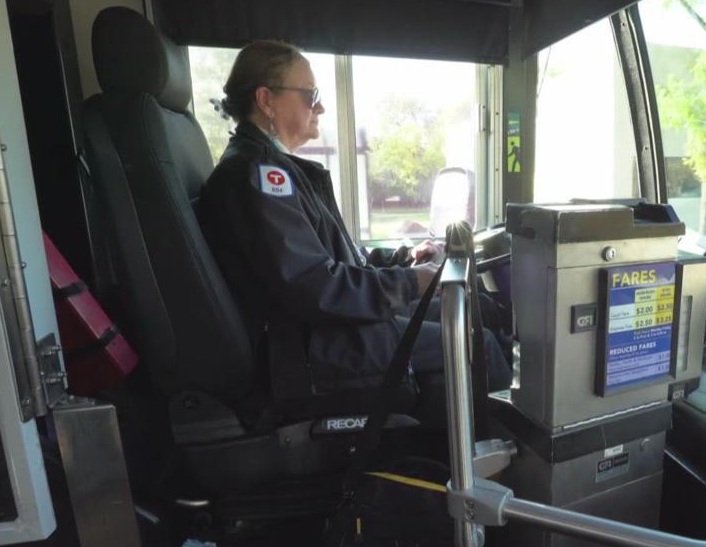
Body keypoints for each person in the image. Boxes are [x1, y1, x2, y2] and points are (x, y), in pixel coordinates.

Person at [198, 41, 509, 427]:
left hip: (322, 331)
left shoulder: (274, 170)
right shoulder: (260, 177)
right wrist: (409, 284)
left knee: (479, 308)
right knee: (480, 342)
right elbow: (312, 284)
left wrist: (400, 260)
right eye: (311, 95)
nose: (321, 107)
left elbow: (330, 258)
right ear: (266, 100)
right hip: (308, 353)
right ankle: (488, 465)